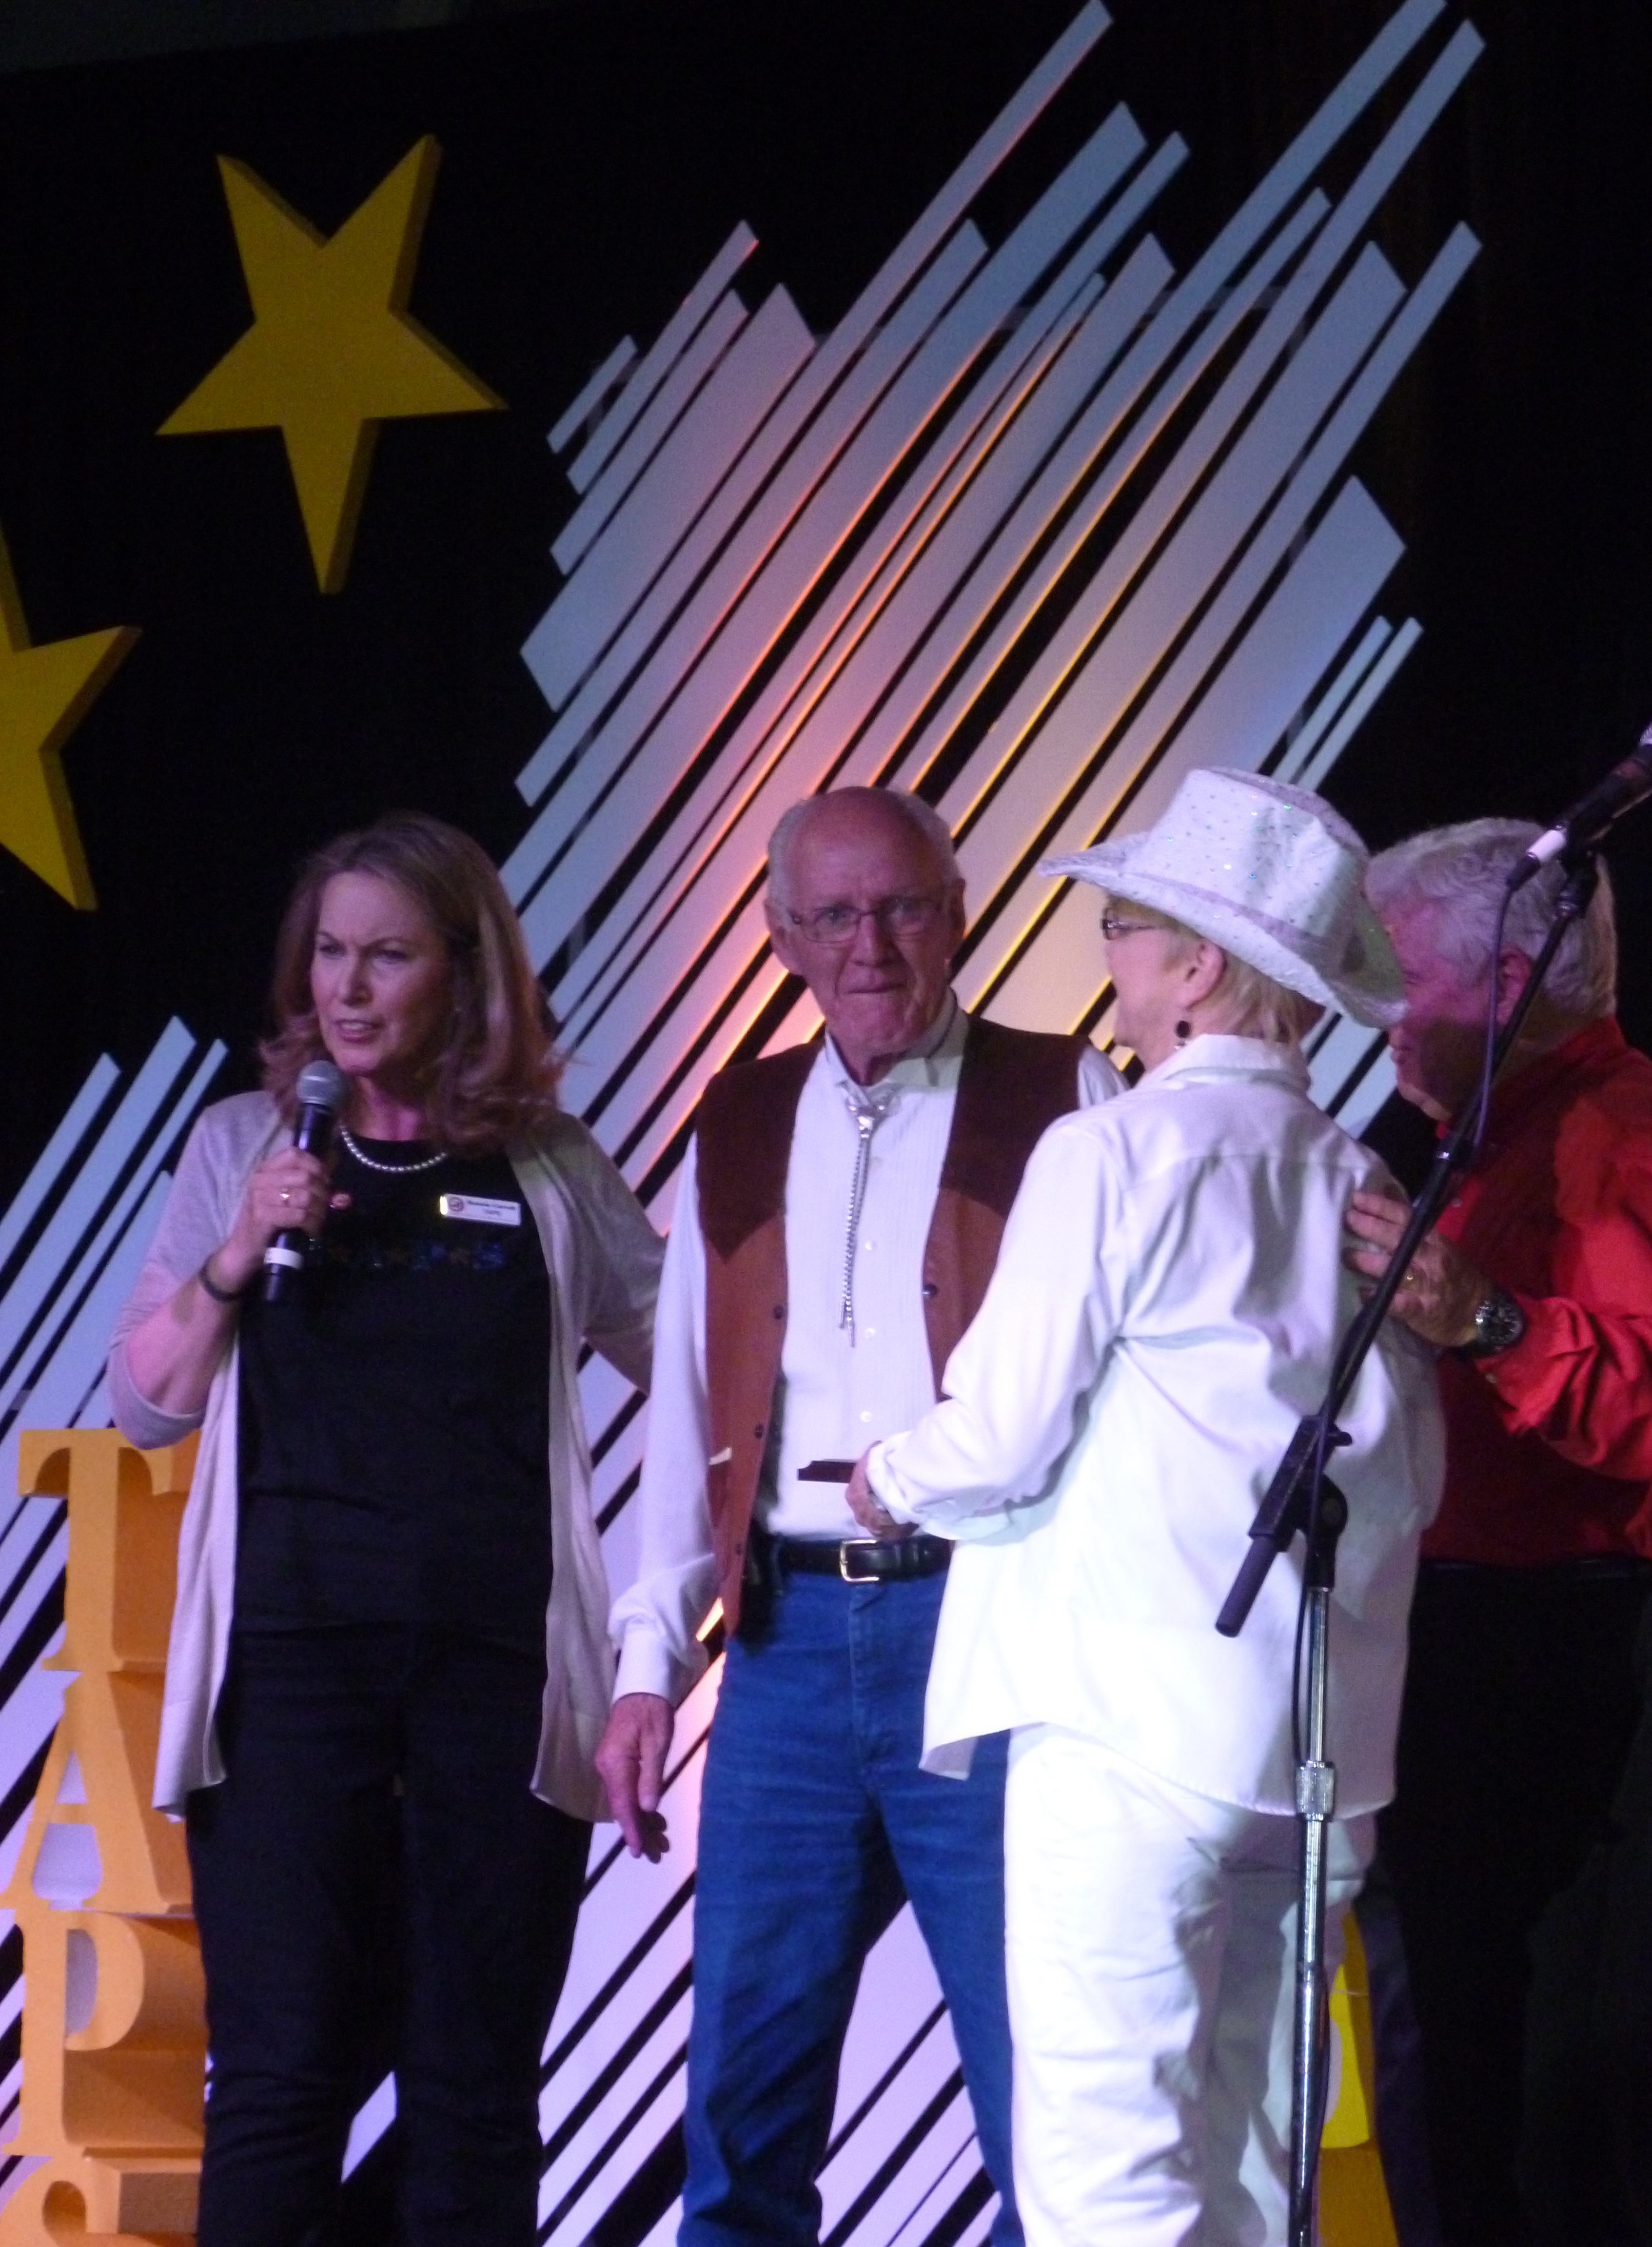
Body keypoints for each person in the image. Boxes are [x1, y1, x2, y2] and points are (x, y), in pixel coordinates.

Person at [846, 766, 1444, 2247]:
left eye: (1125, 925)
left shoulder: (1114, 1151)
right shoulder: (1362, 1180)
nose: (1104, 952)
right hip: (1308, 1743)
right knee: (1256, 2163)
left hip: (1124, 1723)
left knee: (1110, 2166)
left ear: (1199, 969)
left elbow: (1002, 1432)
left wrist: (885, 1478)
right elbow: (1410, 1469)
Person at [108, 811, 664, 2247]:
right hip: (290, 1673)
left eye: (389, 957)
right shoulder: (245, 1140)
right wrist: (240, 1252)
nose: (349, 992)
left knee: (477, 2086)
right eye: (332, 956)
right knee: (282, 2077)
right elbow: (151, 1407)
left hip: (496, 1678)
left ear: (464, 977)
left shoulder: (546, 1164)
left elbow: (692, 1363)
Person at [594, 785, 1120, 2247]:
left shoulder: (1067, 1096)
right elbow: (695, 1418)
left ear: (958, 912)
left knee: (1045, 2086)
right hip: (786, 1644)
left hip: (990, 1627)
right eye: (833, 915)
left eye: (901, 907)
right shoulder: (740, 1119)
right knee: (742, 2100)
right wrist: (650, 1667)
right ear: (781, 937)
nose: (871, 944)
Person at [1344, 819, 1652, 2247]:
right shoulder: (1496, 1137)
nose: (1376, 1011)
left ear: (1503, 977)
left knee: (1539, 2090)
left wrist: (1483, 1319)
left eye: (1395, 973)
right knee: (1463, 2081)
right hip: (1485, 1653)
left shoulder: (1625, 1136)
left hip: (1569, 1664)